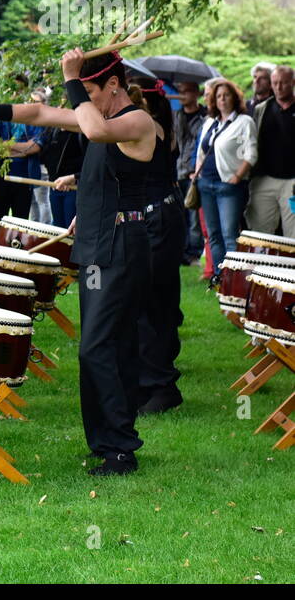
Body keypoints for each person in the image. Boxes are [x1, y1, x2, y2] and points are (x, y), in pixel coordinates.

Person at [0, 50, 157, 476]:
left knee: (100, 346)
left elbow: (98, 131)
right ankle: (110, 443)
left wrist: (69, 77)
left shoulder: (138, 121)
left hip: (121, 245)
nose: (84, 102)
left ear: (113, 85)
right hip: (102, 239)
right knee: (105, 345)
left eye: (89, 91)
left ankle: (119, 447)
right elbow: (42, 112)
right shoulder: (95, 116)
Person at [131, 80, 186, 415]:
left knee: (152, 303)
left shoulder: (147, 126)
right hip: (159, 216)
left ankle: (161, 385)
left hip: (160, 219)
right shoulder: (153, 126)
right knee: (154, 302)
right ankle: (153, 382)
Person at [192, 78, 256, 266]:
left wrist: (237, 177)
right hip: (206, 184)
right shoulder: (210, 122)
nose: (222, 99)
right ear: (214, 100)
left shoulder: (244, 122)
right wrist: (197, 175)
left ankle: (234, 284)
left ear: (234, 98)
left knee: (229, 235)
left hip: (229, 185)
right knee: (213, 236)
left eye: (226, 95)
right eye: (218, 96)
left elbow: (251, 154)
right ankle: (220, 280)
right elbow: (201, 153)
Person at [246, 65, 295, 238]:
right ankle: (261, 266)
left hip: (292, 182)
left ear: (293, 83)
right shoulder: (262, 109)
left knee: (292, 235)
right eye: (275, 83)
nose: (279, 87)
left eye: (283, 83)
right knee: (260, 234)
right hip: (264, 179)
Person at [0, 115, 44, 233]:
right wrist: (24, 149)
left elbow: (35, 147)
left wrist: (5, 144)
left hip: (25, 177)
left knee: (21, 227)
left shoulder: (31, 116)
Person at [174, 81, 206, 264]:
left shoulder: (205, 116)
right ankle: (181, 250)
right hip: (178, 171)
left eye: (185, 91)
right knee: (180, 215)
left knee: (194, 216)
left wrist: (196, 170)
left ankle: (194, 253)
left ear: (195, 93)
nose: (182, 95)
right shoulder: (177, 115)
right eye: (180, 92)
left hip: (195, 172)